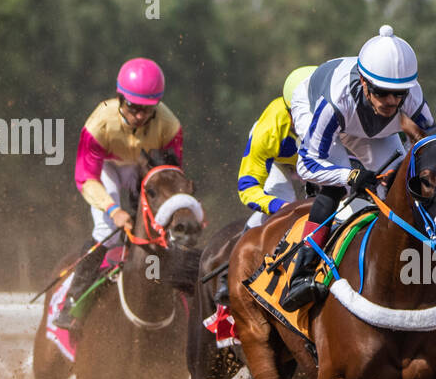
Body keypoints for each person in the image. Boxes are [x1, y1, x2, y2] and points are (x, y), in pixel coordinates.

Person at [279, 24, 434, 312]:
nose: (391, 102)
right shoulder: (334, 102)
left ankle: (424, 264)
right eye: (382, 92)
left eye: (398, 94)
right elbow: (309, 164)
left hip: (368, 126)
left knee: (402, 181)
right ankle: (300, 273)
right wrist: (349, 174)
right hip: (320, 109)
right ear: (364, 82)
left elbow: (431, 146)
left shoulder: (411, 96)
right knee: (336, 187)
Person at [53, 57, 183, 330]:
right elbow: (86, 178)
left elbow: (170, 175)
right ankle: (73, 301)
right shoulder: (99, 123)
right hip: (108, 169)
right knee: (106, 230)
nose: (139, 116)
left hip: (145, 170)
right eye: (134, 108)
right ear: (119, 98)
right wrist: (115, 210)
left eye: (148, 110)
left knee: (159, 229)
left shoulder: (170, 126)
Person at [215, 65, 317, 307]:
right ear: (290, 110)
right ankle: (229, 269)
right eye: (303, 114)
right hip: (279, 164)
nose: (310, 122)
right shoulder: (268, 129)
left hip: (315, 163)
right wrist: (283, 207)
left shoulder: (339, 117)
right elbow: (248, 187)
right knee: (287, 204)